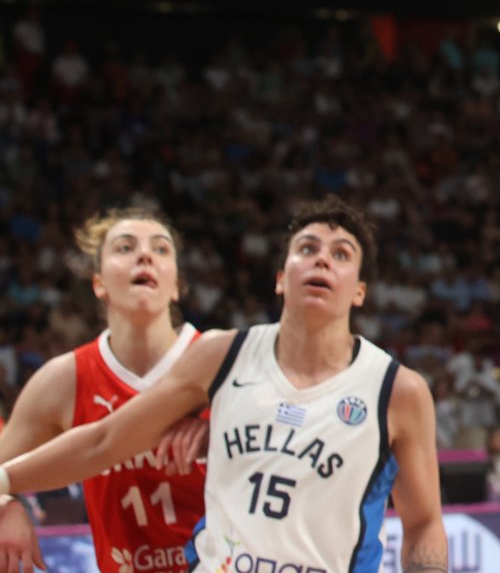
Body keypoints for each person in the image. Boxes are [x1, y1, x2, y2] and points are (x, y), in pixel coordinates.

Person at [0, 195, 448, 573]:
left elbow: (424, 521)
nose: (322, 260)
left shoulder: (397, 390)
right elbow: (105, 440)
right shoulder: (223, 359)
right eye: (307, 248)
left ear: (360, 291)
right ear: (279, 278)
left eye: (341, 254)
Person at [0, 206, 207, 573]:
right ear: (98, 283)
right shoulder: (64, 380)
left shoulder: (217, 362)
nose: (144, 254)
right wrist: (7, 506)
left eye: (160, 249)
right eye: (125, 248)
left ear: (176, 285)